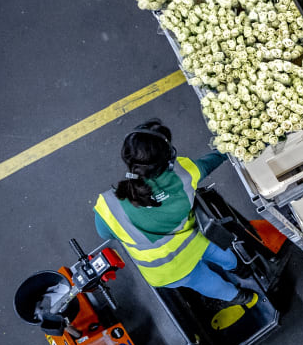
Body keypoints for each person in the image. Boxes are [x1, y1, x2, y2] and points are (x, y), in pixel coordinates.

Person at [94, 119, 255, 309]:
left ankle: (243, 298)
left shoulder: (108, 206)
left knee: (207, 283)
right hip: (198, 240)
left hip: (167, 271)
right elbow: (212, 161)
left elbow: (106, 234)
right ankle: (242, 270)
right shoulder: (183, 174)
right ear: (168, 160)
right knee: (223, 255)